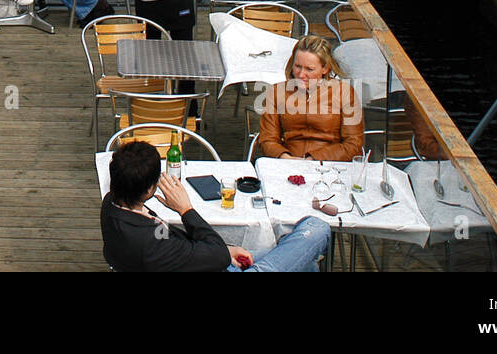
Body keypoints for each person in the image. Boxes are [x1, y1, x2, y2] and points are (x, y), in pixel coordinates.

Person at [101, 141, 330, 272]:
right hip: (211, 263)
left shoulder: (111, 203)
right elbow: (214, 255)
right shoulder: (150, 244)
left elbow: (186, 247)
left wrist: (228, 251)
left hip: (201, 260)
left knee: (307, 263)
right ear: (150, 189)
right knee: (316, 228)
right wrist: (185, 210)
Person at [258, 36, 364, 162]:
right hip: (287, 161)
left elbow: (353, 144)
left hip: (328, 164)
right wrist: (285, 158)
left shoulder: (344, 92)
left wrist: (313, 160)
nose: (301, 74)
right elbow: (267, 139)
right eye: (297, 66)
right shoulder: (277, 92)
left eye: (309, 69)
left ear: (325, 68)